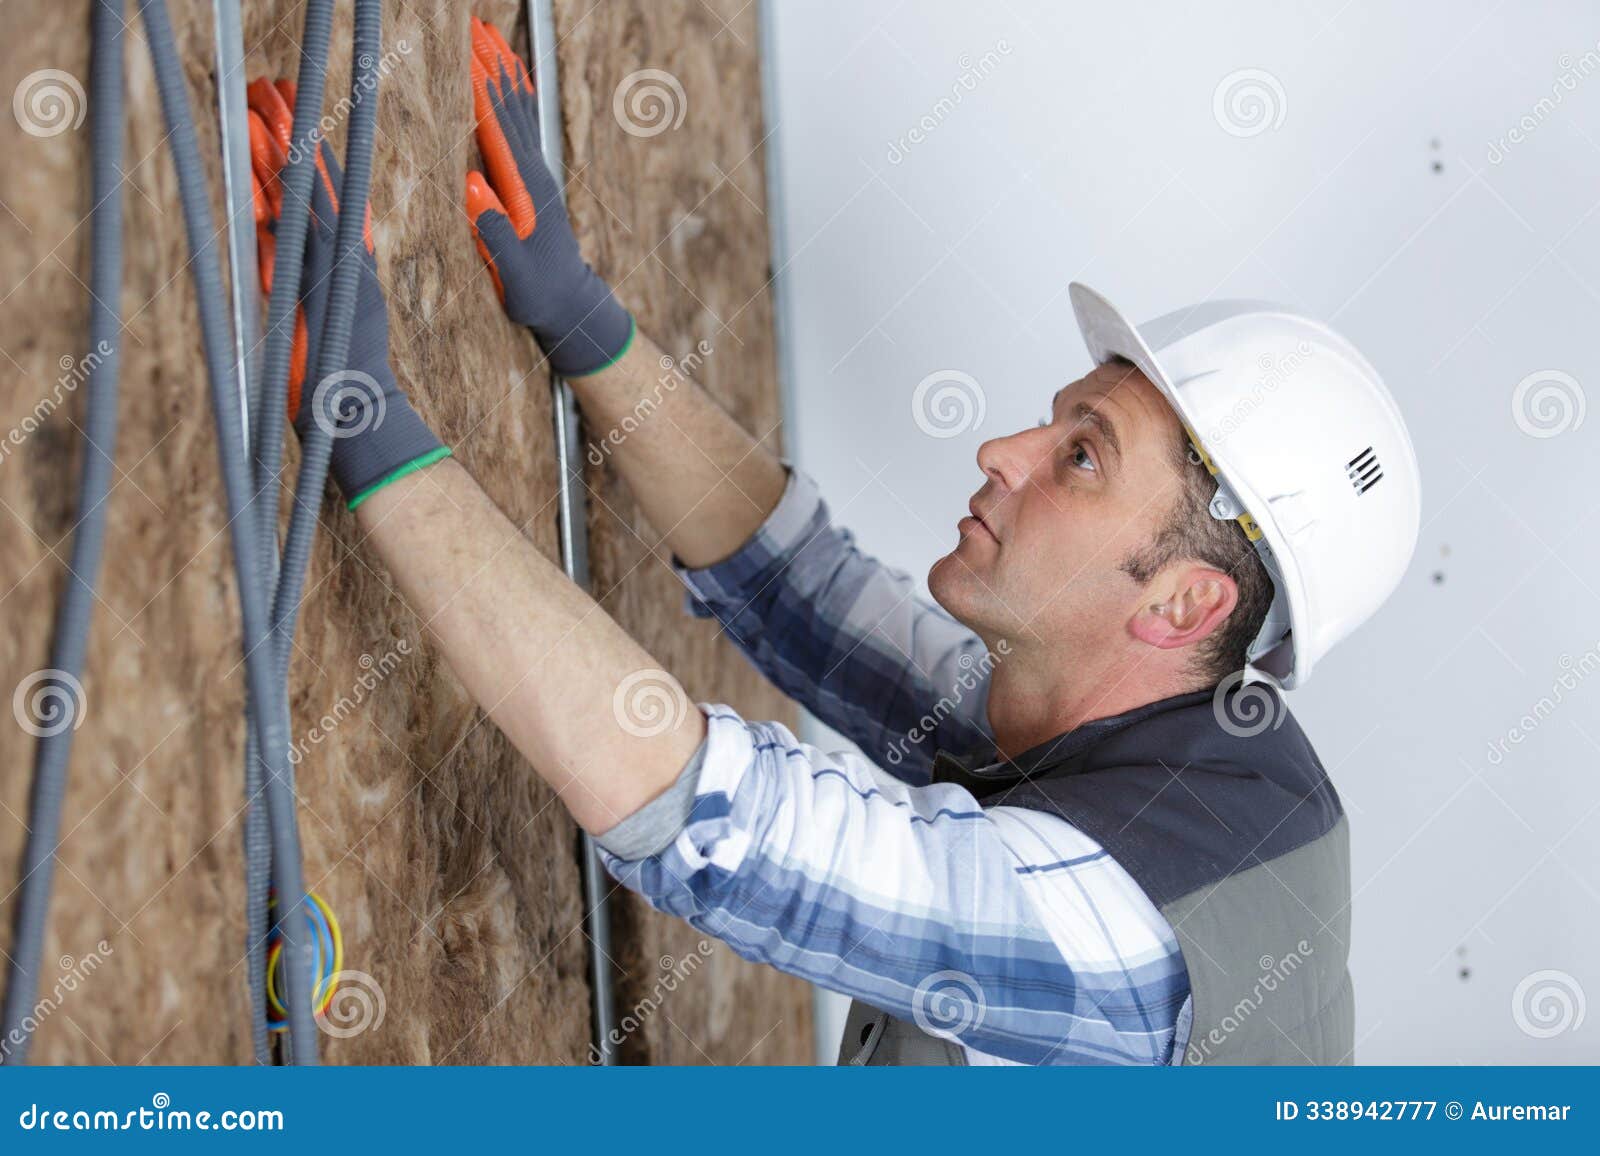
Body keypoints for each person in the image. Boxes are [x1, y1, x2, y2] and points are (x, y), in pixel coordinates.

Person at [244, 16, 1420, 1065]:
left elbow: (733, 831)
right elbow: (807, 593)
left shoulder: (1123, 926)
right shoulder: (1153, 726)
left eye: (1080, 456)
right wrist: (581, 320)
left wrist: (378, 433)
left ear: (1182, 605)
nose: (1001, 452)